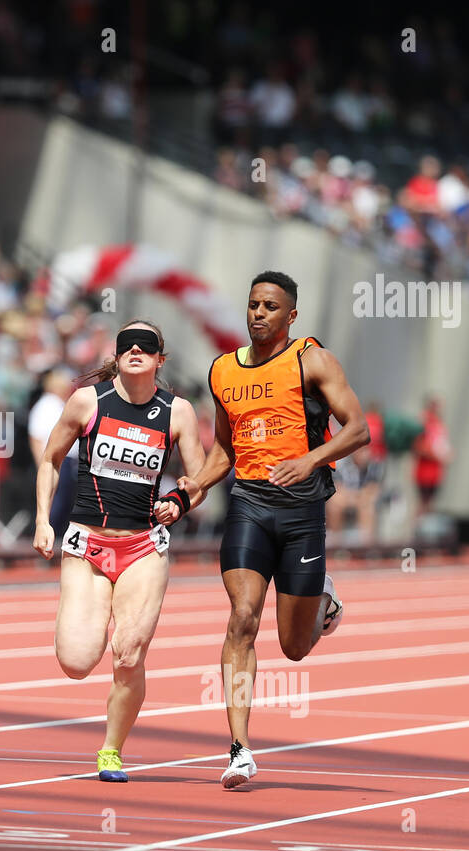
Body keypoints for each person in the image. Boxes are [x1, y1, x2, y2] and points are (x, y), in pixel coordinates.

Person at [178, 271, 369, 788]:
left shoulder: (313, 360)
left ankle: (322, 598)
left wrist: (311, 460)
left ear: (291, 316)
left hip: (303, 512)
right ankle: (240, 749)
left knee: (293, 647)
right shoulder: (222, 371)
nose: (259, 314)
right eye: (253, 304)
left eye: (270, 306)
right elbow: (225, 450)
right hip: (249, 506)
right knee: (242, 617)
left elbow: (358, 428)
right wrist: (192, 488)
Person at [33, 320, 205, 783]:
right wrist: (42, 519)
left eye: (146, 345)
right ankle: (94, 617)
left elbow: (200, 478)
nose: (134, 350)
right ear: (117, 355)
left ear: (159, 360)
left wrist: (180, 500)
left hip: (144, 547)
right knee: (76, 661)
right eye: (126, 344)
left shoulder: (177, 412)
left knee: (128, 653)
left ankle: (111, 750)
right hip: (87, 543)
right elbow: (50, 459)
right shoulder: (89, 401)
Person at [28, 367, 79, 538]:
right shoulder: (45, 405)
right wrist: (41, 466)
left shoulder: (59, 404)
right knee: (55, 504)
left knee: (65, 503)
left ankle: (58, 540)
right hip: (56, 461)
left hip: (68, 461)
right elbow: (36, 437)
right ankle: (49, 540)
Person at [412, 396, 452, 522]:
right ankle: (418, 531)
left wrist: (447, 454)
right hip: (424, 469)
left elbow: (443, 444)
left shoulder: (440, 424)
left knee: (431, 503)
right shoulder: (423, 422)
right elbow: (418, 446)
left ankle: (427, 530)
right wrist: (435, 455)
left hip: (436, 470)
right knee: (423, 502)